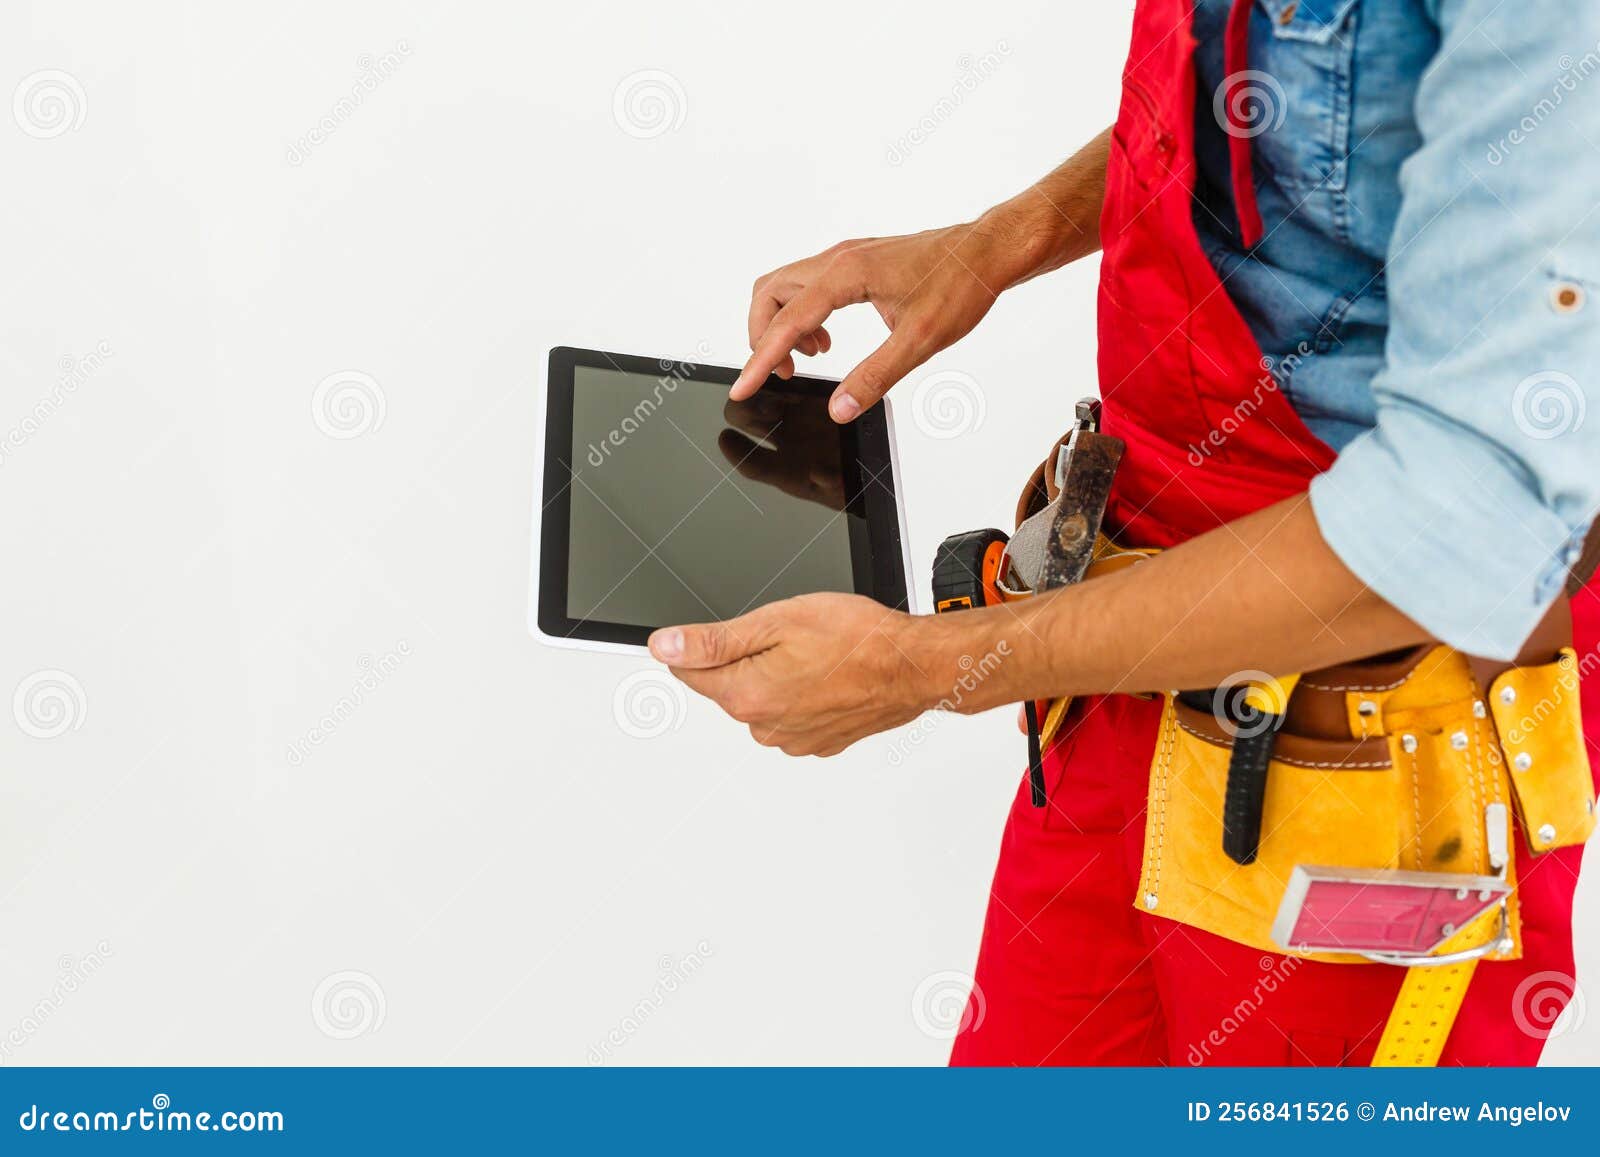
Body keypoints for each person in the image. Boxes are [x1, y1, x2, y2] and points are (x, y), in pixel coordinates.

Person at [648, 0, 1600, 1064]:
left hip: (1372, 762)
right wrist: (994, 243)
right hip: (1116, 671)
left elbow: (1454, 531)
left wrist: (922, 666)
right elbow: (1268, 117)